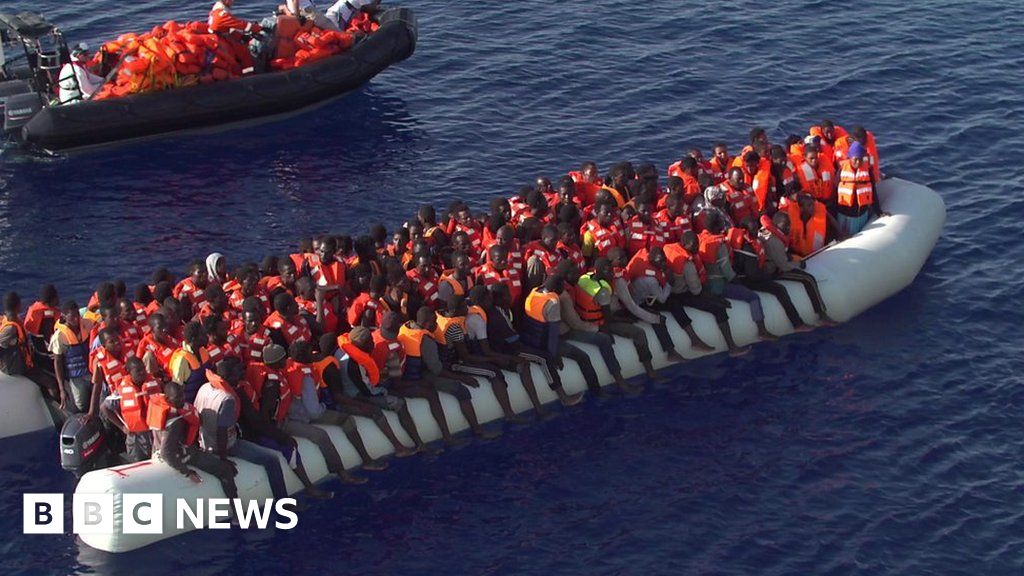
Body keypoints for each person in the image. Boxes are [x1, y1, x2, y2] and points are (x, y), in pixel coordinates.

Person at [254, 343, 369, 484]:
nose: (313, 355)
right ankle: (345, 471)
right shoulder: (305, 377)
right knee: (324, 434)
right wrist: (324, 406)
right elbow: (314, 412)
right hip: (291, 420)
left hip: (292, 413)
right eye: (310, 352)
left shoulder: (288, 366)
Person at [396, 307, 496, 443]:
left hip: (405, 373)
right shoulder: (426, 341)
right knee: (461, 390)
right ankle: (468, 431)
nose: (436, 325)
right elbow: (437, 370)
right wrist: (462, 377)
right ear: (425, 323)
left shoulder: (406, 328)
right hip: (420, 374)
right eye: (433, 322)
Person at [327, 328, 426, 456]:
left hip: (355, 387)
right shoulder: (354, 364)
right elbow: (368, 391)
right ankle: (407, 445)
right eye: (370, 342)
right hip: (356, 395)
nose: (373, 344)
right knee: (398, 403)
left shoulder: (341, 350)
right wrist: (385, 391)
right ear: (362, 345)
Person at [149, 382, 239, 519]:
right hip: (184, 456)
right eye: (176, 399)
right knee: (225, 470)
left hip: (157, 453)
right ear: (167, 398)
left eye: (181, 396)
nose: (180, 401)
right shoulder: (175, 422)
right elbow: (166, 453)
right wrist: (186, 472)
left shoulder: (160, 408)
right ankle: (238, 516)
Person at [465, 286, 555, 420]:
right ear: (485, 300)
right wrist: (512, 357)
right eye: (489, 297)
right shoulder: (478, 319)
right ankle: (510, 413)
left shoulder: (490, 312)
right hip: (487, 355)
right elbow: (488, 350)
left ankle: (537, 408)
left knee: (523, 366)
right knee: (500, 373)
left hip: (496, 351)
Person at [434, 294, 524, 424]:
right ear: (455, 311)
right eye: (464, 307)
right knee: (494, 372)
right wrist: (493, 360)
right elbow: (465, 357)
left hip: (454, 358)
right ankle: (509, 413)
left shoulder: (441, 316)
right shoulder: (455, 328)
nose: (467, 309)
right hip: (453, 363)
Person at [555, 261, 634, 395]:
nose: (578, 276)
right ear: (566, 276)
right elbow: (575, 324)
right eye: (574, 273)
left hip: (570, 325)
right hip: (564, 331)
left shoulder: (569, 287)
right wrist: (597, 329)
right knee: (603, 340)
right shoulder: (564, 296)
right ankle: (616, 381)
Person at [758, 212, 836, 326]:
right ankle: (822, 314)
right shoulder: (774, 241)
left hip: (772, 259)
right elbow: (783, 266)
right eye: (785, 225)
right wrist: (798, 264)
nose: (789, 228)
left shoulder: (765, 231)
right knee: (809, 279)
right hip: (773, 270)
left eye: (789, 224)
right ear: (776, 224)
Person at [101, 357, 157, 462]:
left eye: (143, 369)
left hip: (154, 434)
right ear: (129, 372)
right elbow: (104, 408)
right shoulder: (121, 391)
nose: (142, 373)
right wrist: (122, 427)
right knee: (137, 466)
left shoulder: (154, 383)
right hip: (136, 438)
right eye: (138, 370)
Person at [50, 301, 93, 413]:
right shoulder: (59, 336)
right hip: (76, 378)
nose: (76, 319)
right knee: (81, 406)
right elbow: (57, 362)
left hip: (92, 373)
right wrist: (62, 389)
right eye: (72, 316)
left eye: (77, 315)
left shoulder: (87, 325)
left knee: (97, 401)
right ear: (64, 317)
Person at [835, 142, 884, 236]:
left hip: (858, 215)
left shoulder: (868, 172)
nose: (858, 162)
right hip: (842, 213)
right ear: (850, 158)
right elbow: (835, 190)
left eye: (860, 159)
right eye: (855, 159)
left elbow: (873, 191)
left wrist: (878, 211)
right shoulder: (841, 171)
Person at [208, 0, 262, 74]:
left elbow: (228, 28)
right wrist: (258, 28)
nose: (232, 1)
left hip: (218, 38)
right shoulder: (222, 15)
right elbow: (241, 24)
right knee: (244, 52)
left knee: (241, 46)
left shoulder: (216, 11)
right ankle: (248, 74)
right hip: (219, 41)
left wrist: (241, 36)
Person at [168, 321, 213, 403]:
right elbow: (177, 389)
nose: (206, 337)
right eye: (202, 335)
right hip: (190, 403)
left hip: (205, 400)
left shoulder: (203, 351)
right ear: (193, 339)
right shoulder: (181, 360)